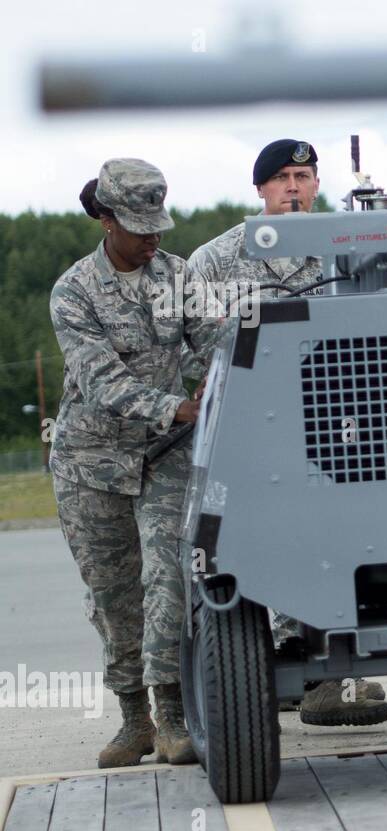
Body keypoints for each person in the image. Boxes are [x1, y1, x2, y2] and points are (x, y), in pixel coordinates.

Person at [185, 139, 387, 726]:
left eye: (303, 175)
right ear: (260, 190)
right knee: (260, 545)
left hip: (340, 433)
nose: (293, 188)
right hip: (254, 438)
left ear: (318, 184)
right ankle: (277, 671)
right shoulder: (217, 261)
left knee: (343, 539)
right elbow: (204, 355)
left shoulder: (351, 250)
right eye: (281, 179)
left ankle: (331, 670)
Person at [50, 158, 223, 768]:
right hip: (90, 463)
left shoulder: (179, 277)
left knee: (168, 577)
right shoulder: (73, 292)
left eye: (158, 223)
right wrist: (180, 406)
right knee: (113, 593)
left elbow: (217, 343)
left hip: (164, 457)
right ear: (105, 219)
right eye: (138, 225)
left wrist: (219, 385)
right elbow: (102, 383)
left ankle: (174, 717)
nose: (153, 237)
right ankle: (134, 720)